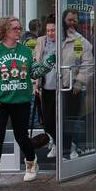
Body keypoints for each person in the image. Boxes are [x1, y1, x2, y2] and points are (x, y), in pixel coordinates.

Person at [0, 16, 55, 191]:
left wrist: (48, 63)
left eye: (19, 28)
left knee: (21, 136)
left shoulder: (26, 51)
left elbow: (35, 73)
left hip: (21, 102)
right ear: (4, 31)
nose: (19, 31)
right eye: (15, 28)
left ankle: (31, 162)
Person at [61, 8, 94, 158]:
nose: (72, 23)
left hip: (71, 87)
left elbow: (87, 64)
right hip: (51, 86)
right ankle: (56, 142)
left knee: (70, 120)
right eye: (69, 20)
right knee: (50, 120)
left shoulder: (80, 41)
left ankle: (68, 148)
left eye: (75, 20)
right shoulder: (53, 38)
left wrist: (79, 82)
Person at [38, 17, 58, 146]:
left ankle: (64, 145)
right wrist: (36, 84)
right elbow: (37, 62)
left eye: (53, 30)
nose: (50, 33)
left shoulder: (65, 42)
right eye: (48, 30)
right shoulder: (42, 42)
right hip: (46, 87)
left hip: (62, 86)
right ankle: (56, 142)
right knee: (47, 121)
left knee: (60, 120)